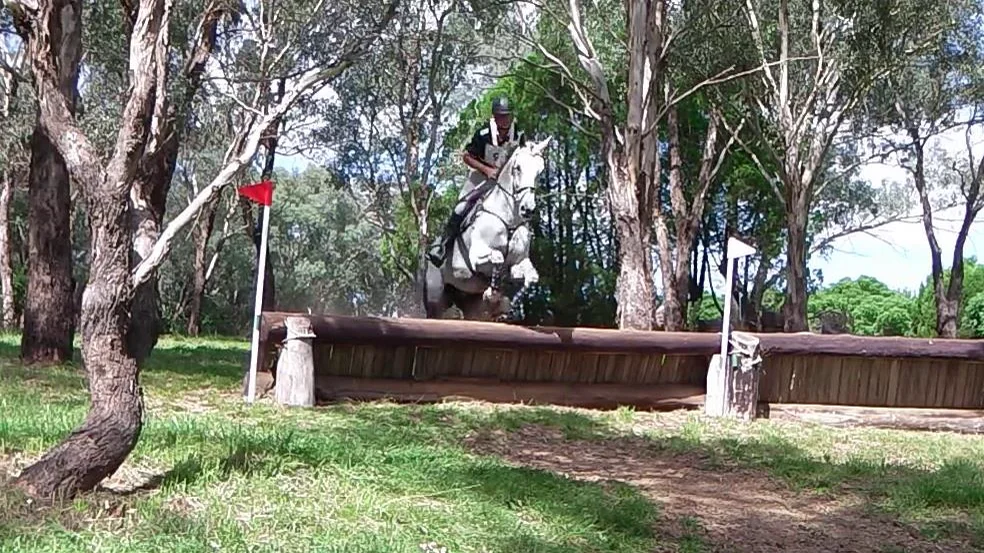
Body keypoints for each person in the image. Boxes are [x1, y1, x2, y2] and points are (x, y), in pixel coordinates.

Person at [427, 96, 524, 267]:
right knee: (461, 207)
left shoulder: (518, 134)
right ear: (494, 116)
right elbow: (466, 156)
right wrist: (487, 170)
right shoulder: (483, 133)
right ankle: (441, 246)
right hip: (481, 176)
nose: (505, 120)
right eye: (501, 116)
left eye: (507, 116)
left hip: (507, 182)